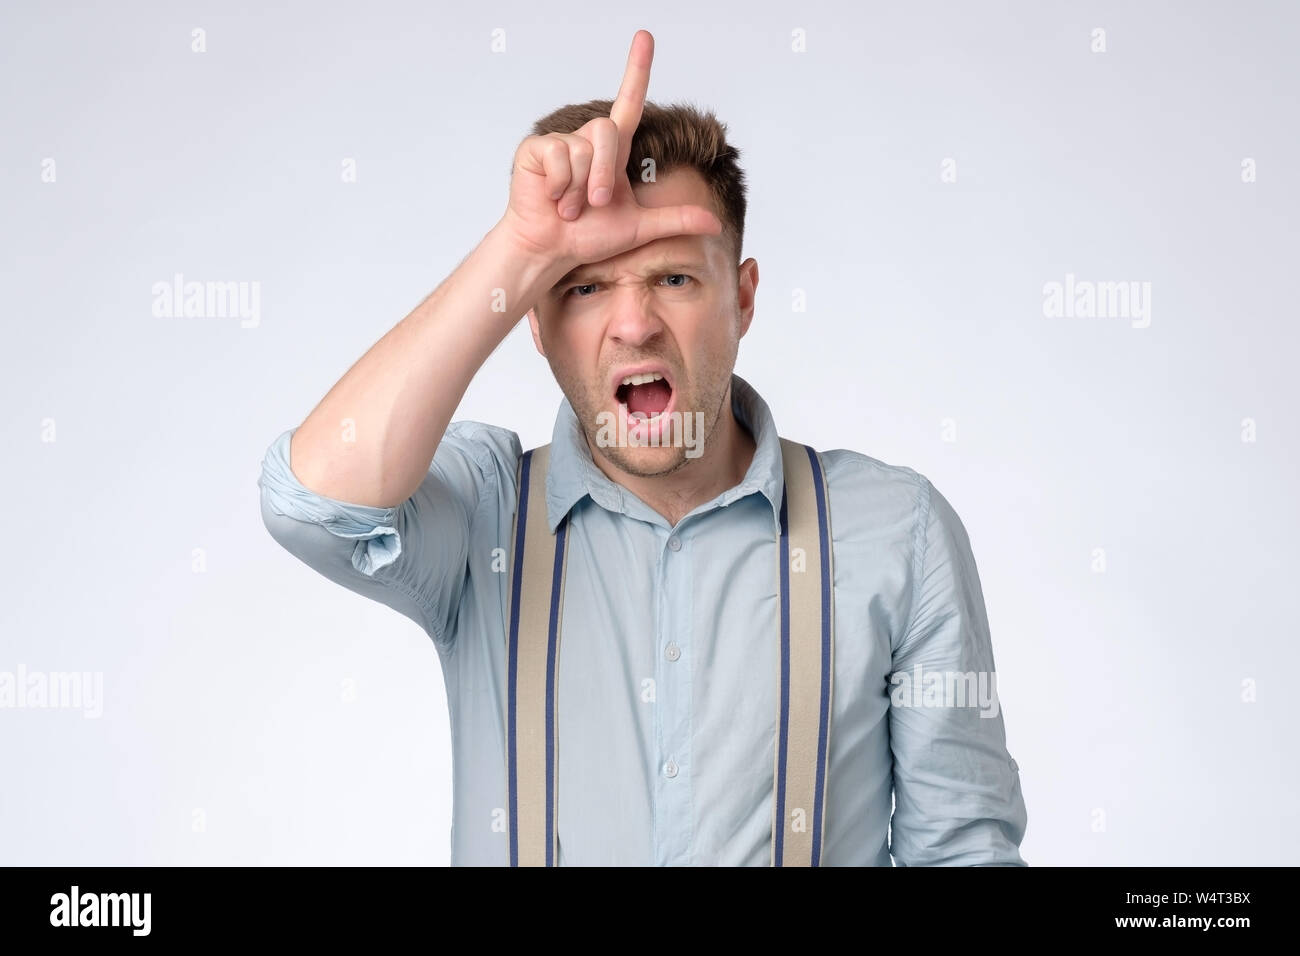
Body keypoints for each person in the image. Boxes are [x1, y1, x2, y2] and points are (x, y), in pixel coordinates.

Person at [257, 29, 1028, 866]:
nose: (633, 323)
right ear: (537, 326)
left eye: (673, 278)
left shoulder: (896, 532)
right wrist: (520, 250)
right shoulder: (483, 515)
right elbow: (314, 503)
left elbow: (963, 852)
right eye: (584, 287)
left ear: (742, 297)